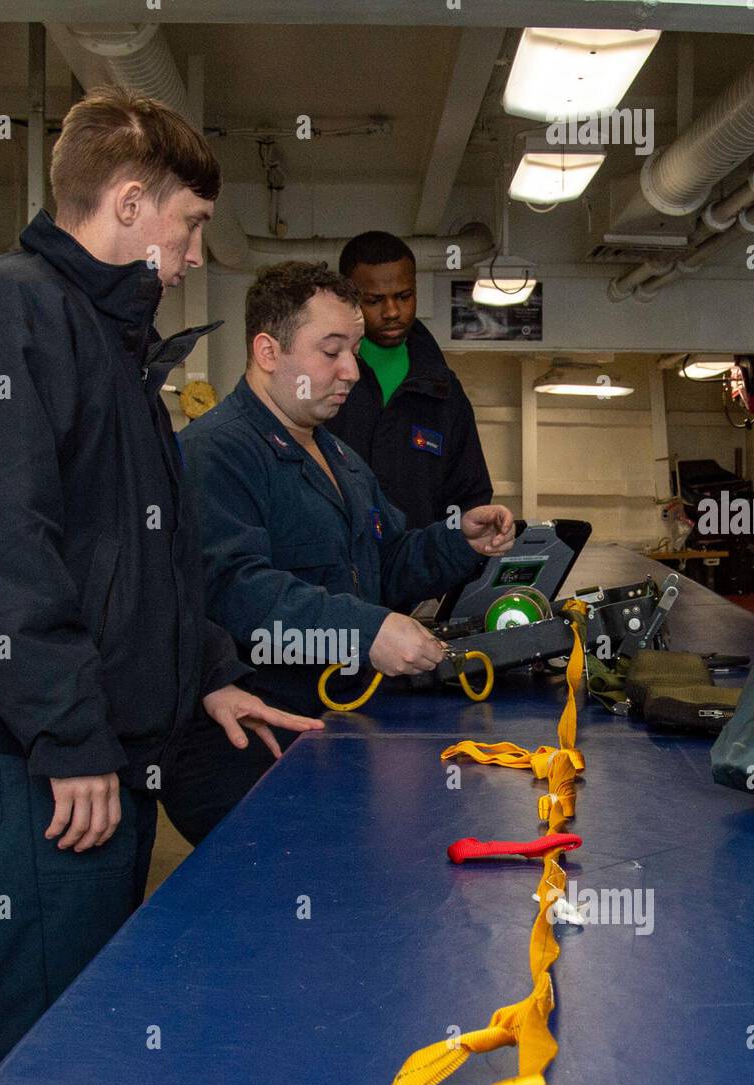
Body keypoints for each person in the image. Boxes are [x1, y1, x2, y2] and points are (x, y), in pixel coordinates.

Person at [0, 87, 320, 1085]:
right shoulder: (6, 315)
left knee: (79, 1031)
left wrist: (206, 673)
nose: (196, 254)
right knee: (33, 1046)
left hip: (95, 752)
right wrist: (72, 736)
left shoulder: (105, 340)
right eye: (192, 225)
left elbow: (139, 560)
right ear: (130, 204)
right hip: (36, 765)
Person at [161, 262, 514, 846]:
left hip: (335, 731)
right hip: (251, 747)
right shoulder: (213, 453)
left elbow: (389, 561)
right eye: (332, 352)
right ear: (269, 351)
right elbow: (232, 590)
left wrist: (458, 541)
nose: (351, 371)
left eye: (354, 350)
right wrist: (365, 631)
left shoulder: (342, 459)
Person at [329, 230, 493, 529]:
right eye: (375, 300)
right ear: (348, 299)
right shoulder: (321, 379)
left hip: (419, 571)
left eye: (404, 296)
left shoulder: (444, 390)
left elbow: (470, 497)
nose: (392, 311)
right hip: (335, 570)